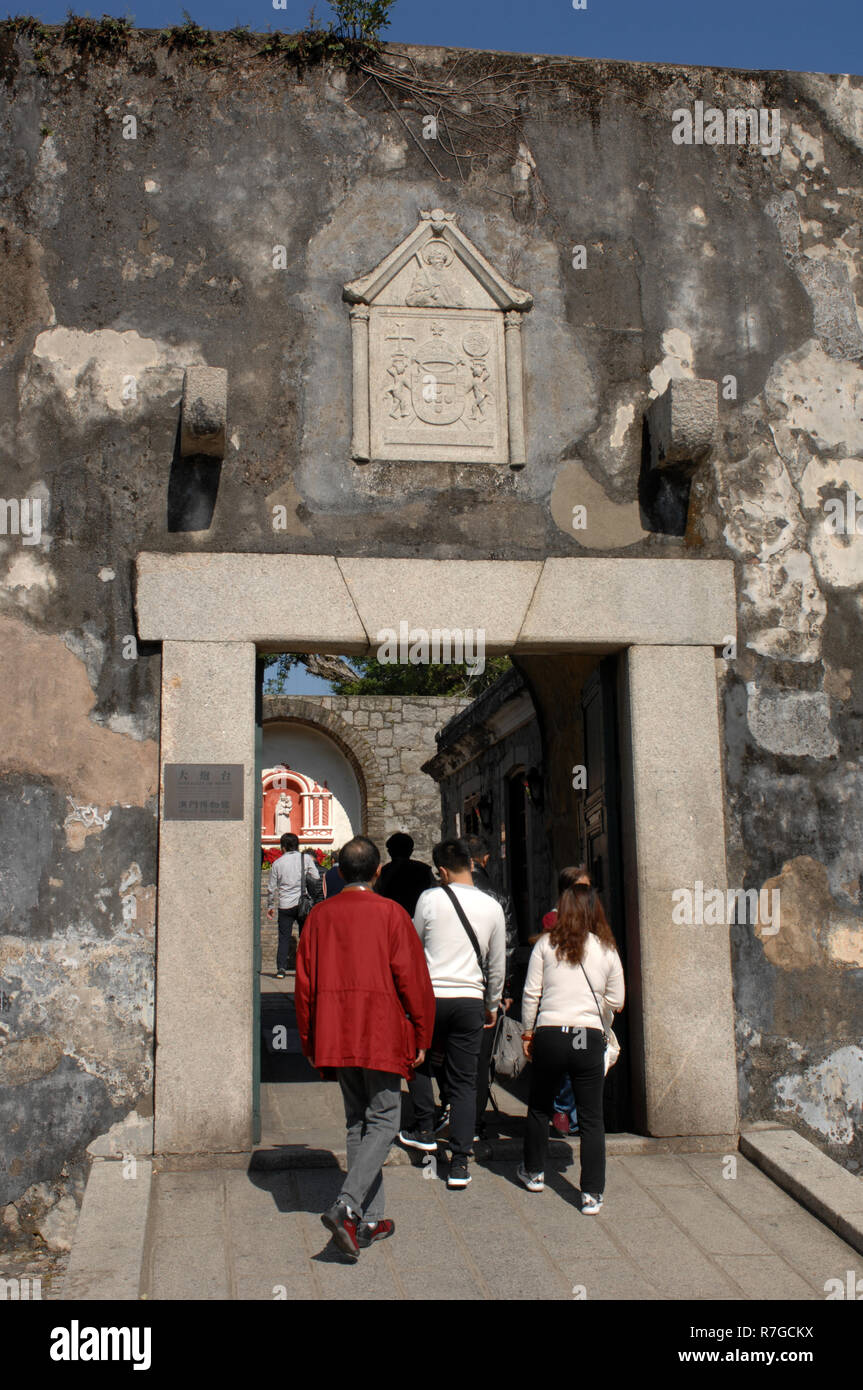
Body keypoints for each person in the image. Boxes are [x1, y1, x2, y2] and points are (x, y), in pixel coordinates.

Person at [294, 836, 435, 1261]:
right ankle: (348, 1204)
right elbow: (413, 979)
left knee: (358, 1120)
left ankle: (370, 1217)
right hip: (380, 1029)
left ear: (338, 872)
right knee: (385, 1118)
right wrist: (423, 1034)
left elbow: (303, 986)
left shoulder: (319, 916)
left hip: (337, 1030)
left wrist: (309, 1039)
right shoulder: (392, 914)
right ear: (377, 871)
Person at [400, 838, 506, 1189]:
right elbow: (497, 963)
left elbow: (414, 949)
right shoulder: (492, 906)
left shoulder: (430, 899)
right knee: (464, 1080)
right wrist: (491, 1004)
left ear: (442, 871)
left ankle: (425, 1127)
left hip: (432, 996)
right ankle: (460, 1163)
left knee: (417, 1062)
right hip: (469, 1000)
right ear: (472, 865)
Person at [518, 868, 625, 1214]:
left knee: (539, 1106)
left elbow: (532, 993)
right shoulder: (606, 948)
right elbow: (618, 998)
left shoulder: (546, 944)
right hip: (585, 1036)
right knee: (592, 1118)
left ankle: (533, 1172)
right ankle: (591, 1193)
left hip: (550, 1032)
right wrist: (597, 1012)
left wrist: (527, 1032)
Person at [465, 835, 517, 1138]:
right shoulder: (498, 895)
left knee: (454, 1055)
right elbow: (507, 946)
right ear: (484, 859)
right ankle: (474, 1121)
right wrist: (505, 991)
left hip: (452, 986)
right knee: (482, 1057)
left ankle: (453, 1109)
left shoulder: (442, 894)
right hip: (486, 988)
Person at [541, 864, 592, 1137]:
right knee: (566, 1068)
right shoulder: (553, 919)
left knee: (581, 1066)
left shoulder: (594, 919)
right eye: (580, 889)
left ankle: (577, 1115)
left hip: (586, 1005)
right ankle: (563, 1111)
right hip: (563, 1005)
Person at [267, 832, 322, 978]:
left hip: (285, 904)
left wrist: (270, 906)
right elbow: (316, 877)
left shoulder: (277, 863)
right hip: (302, 902)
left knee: (284, 937)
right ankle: (305, 967)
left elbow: (271, 888)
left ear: (283, 847)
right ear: (297, 845)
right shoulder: (306, 859)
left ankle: (281, 969)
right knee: (305, 936)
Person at [374, 832, 434, 917]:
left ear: (390, 851)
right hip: (418, 917)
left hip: (392, 917)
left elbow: (378, 894)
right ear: (411, 851)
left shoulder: (384, 871)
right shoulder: (424, 870)